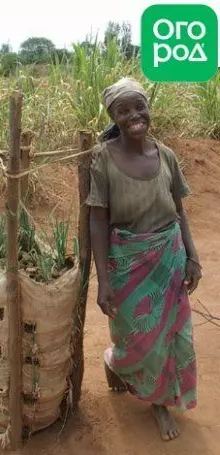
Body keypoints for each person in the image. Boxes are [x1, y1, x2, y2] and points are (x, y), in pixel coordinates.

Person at [86, 78, 201, 442]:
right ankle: (113, 362)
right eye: (124, 110)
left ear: (148, 109)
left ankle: (159, 403)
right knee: (136, 340)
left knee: (174, 336)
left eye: (139, 107)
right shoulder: (102, 159)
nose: (134, 115)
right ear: (113, 117)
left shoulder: (165, 155)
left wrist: (193, 259)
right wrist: (102, 280)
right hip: (128, 263)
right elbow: (98, 219)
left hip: (170, 257)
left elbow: (179, 211)